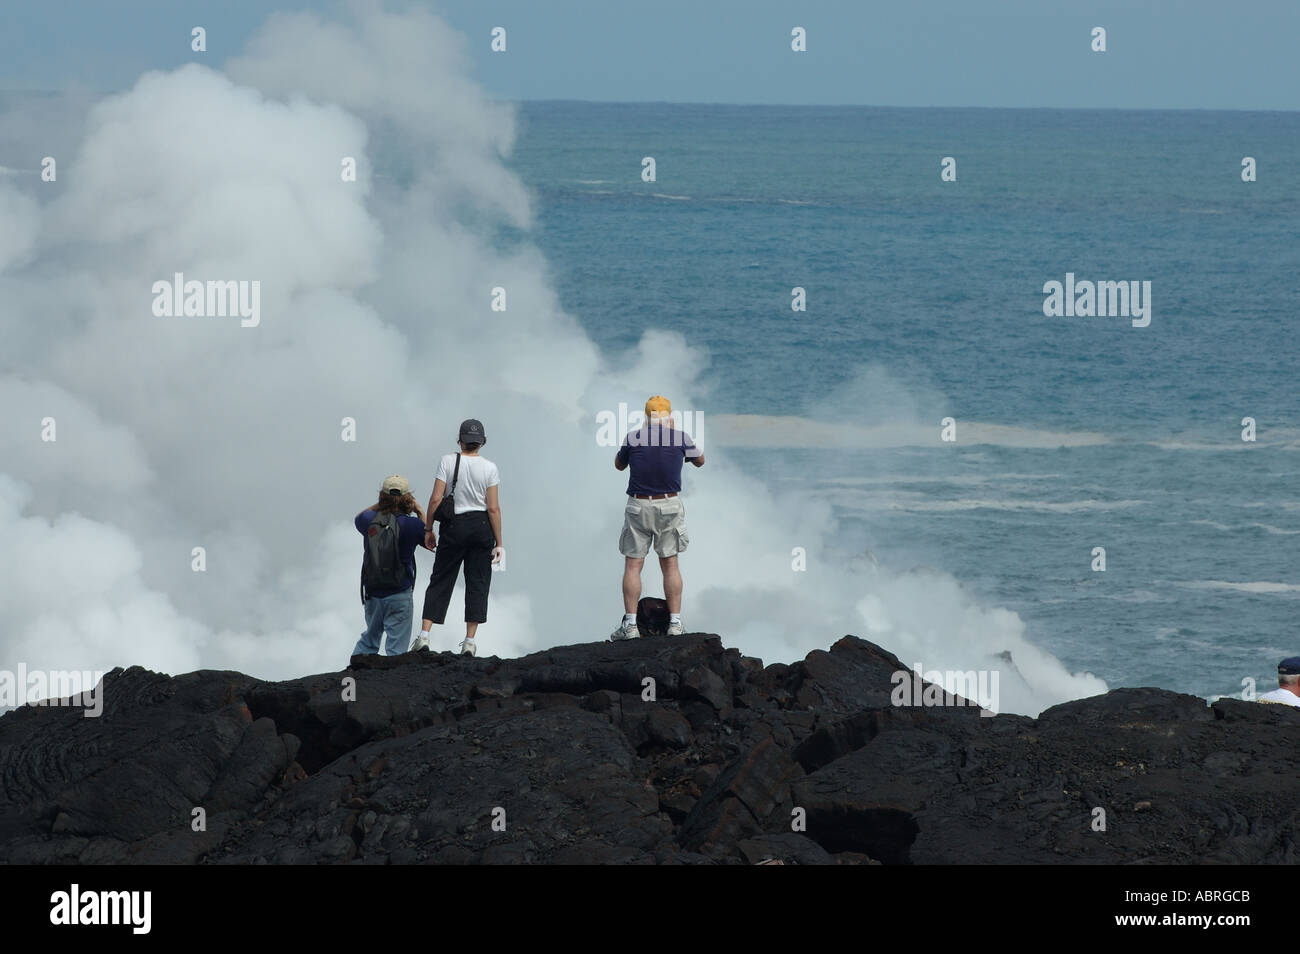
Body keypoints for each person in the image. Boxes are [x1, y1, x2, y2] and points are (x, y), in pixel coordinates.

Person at [611, 395, 704, 640]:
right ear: (669, 416)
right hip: (669, 504)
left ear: (647, 417)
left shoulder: (633, 437)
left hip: (638, 505)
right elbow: (700, 461)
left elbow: (619, 465)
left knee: (633, 565)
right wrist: (673, 433)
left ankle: (630, 625)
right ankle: (674, 623)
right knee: (670, 564)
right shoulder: (680, 437)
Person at [415, 419, 504, 657]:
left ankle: (424, 636)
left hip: (454, 526)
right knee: (477, 582)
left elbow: (435, 499)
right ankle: (469, 642)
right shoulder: (490, 468)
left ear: (460, 440)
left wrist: (428, 528)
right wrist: (500, 543)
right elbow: (493, 508)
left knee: (441, 578)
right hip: (482, 526)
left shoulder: (447, 461)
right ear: (482, 442)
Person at [353, 476, 428, 658]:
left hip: (373, 591)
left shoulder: (369, 520)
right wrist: (419, 511)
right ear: (407, 498)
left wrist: (381, 504)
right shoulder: (413, 525)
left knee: (369, 639)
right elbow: (429, 540)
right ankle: (390, 684)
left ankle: (357, 675)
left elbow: (359, 517)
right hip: (399, 592)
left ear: (382, 496)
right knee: (396, 650)